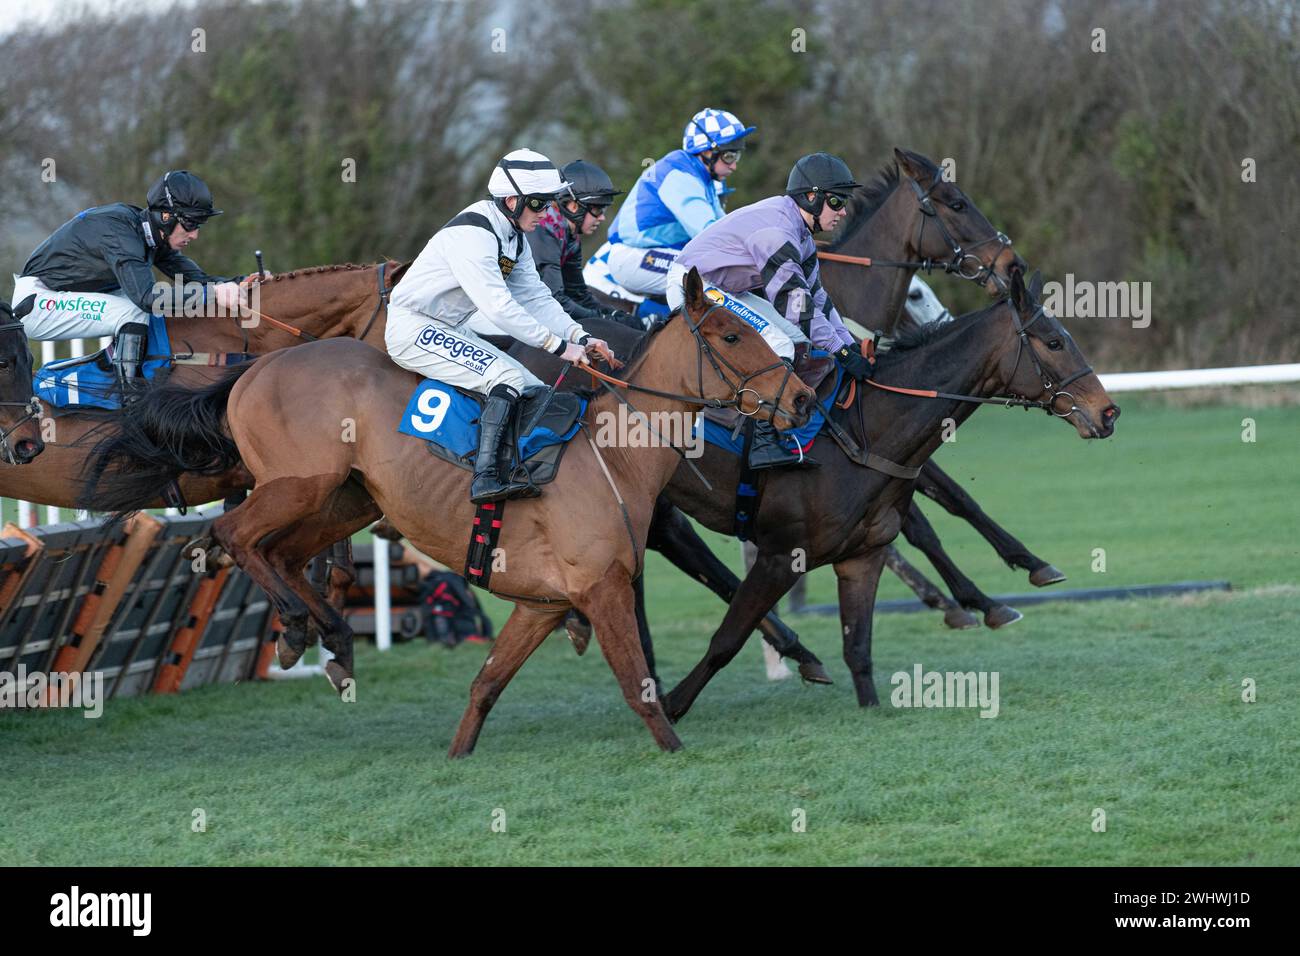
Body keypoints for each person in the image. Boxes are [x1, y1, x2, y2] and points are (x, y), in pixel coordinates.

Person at [385, 148, 614, 504]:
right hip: (412, 328)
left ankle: (515, 466)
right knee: (506, 380)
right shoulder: (474, 233)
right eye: (539, 204)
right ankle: (485, 479)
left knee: (531, 385)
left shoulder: (514, 236)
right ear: (511, 200)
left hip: (447, 327)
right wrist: (558, 347)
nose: (546, 213)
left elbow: (537, 299)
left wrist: (580, 336)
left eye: (550, 203)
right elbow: (499, 306)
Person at [667, 151, 874, 469]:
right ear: (810, 197)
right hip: (695, 286)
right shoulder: (777, 231)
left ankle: (783, 424)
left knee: (796, 338)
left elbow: (818, 297)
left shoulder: (801, 233)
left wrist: (847, 344)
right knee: (779, 343)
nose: (843, 212)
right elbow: (796, 305)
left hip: (725, 288)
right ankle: (763, 440)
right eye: (836, 202)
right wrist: (842, 353)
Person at [12, 170, 250, 399]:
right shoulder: (121, 233)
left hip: (59, 294)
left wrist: (246, 284)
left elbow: (201, 281)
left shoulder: (150, 235)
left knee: (153, 306)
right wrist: (213, 293)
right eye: (190, 223)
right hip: (37, 303)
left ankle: (139, 380)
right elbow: (148, 298)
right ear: (165, 217)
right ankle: (132, 403)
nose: (195, 234)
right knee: (135, 309)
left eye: (199, 225)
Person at [583, 107, 755, 317]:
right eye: (729, 156)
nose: (735, 166)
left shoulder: (702, 176)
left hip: (644, 256)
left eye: (737, 156)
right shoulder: (679, 174)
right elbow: (710, 234)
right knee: (712, 279)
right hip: (632, 258)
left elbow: (727, 229)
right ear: (706, 151)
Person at [524, 159, 639, 329]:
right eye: (598, 209)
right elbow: (554, 300)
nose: (602, 217)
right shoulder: (545, 229)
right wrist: (601, 317)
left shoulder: (569, 236)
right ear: (572, 205)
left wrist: (613, 313)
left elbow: (578, 295)